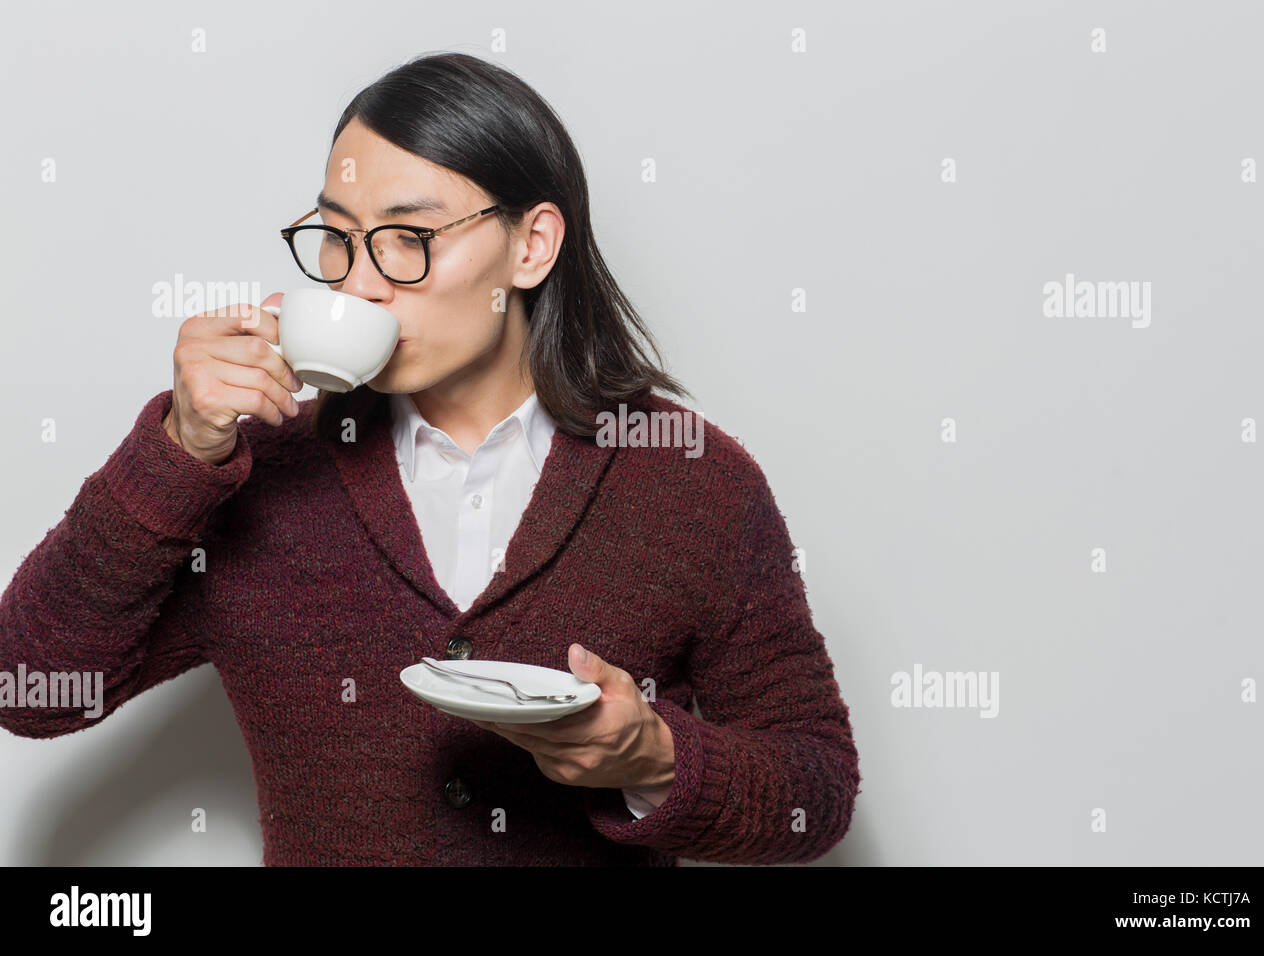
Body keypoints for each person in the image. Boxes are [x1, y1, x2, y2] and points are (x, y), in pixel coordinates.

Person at [0, 51, 860, 866]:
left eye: (408, 237)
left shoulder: (687, 479)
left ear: (531, 246)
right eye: (337, 237)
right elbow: (30, 681)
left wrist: (656, 760)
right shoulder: (255, 474)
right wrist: (177, 452)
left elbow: (814, 791)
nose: (359, 282)